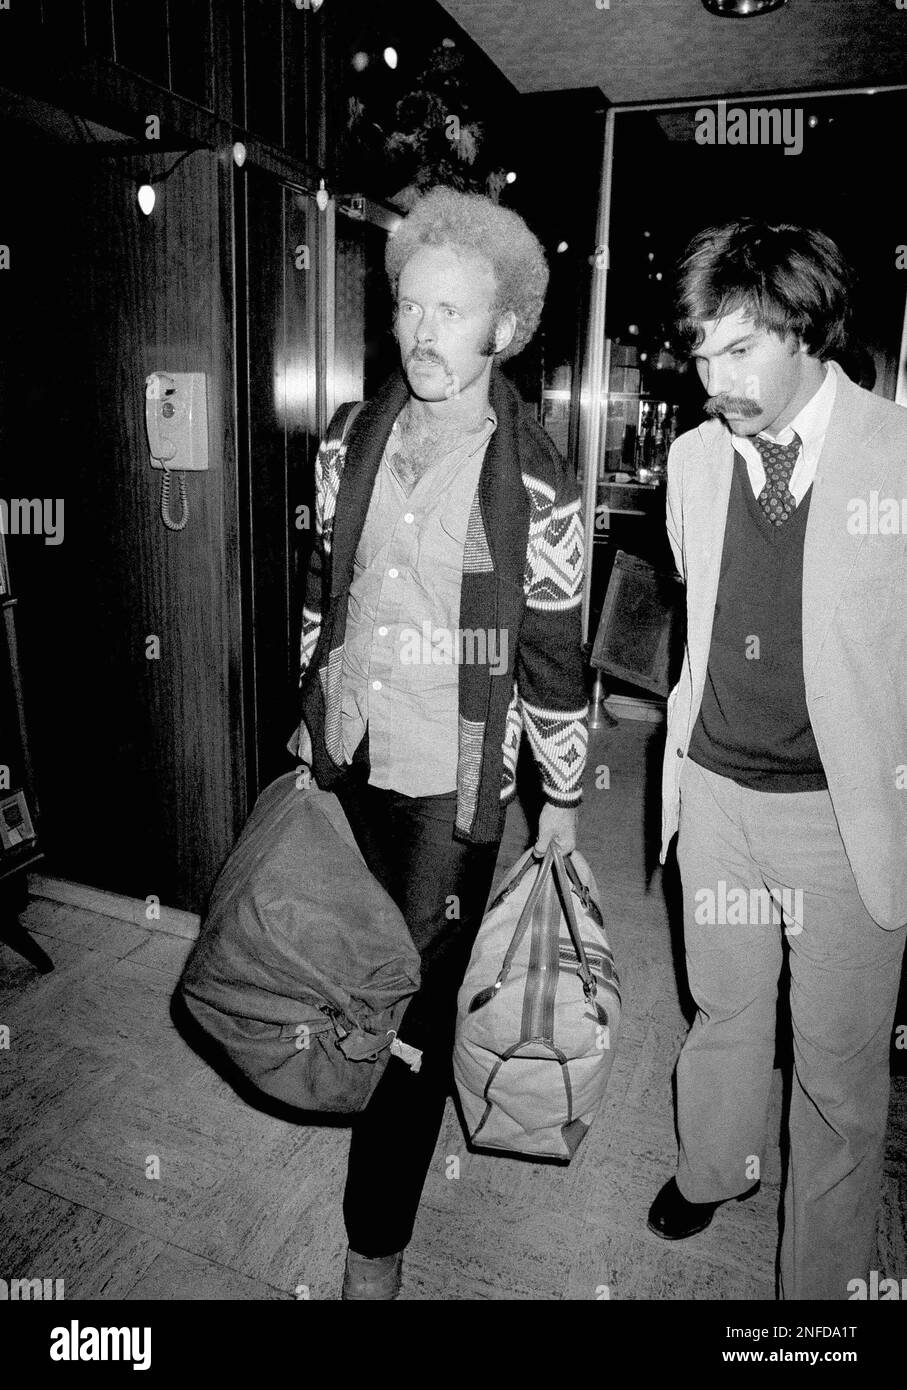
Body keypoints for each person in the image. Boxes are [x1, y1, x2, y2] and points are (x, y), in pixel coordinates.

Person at [288, 186, 589, 1300]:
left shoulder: (533, 477)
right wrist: (309, 709)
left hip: (447, 779)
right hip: (348, 751)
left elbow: (551, 648)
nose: (422, 330)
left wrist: (561, 788)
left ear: (503, 327)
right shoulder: (350, 437)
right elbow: (332, 587)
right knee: (342, 968)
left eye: (450, 312)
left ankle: (377, 1251)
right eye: (410, 304)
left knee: (410, 1011)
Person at [649, 218, 907, 1300]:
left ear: (806, 331)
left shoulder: (896, 455)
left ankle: (816, 1299)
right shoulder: (693, 460)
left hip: (841, 815)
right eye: (701, 353)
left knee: (839, 1079)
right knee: (724, 1007)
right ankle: (716, 1164)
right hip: (713, 794)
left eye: (739, 348)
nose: (715, 380)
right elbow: (698, 616)